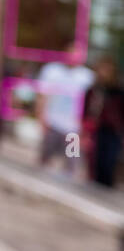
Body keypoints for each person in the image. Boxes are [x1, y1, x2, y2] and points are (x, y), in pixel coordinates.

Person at [37, 43, 96, 179]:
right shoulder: (52, 71)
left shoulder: (87, 77)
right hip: (52, 123)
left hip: (73, 128)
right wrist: (41, 117)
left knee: (71, 163)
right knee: (45, 158)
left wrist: (86, 131)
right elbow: (42, 96)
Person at [82, 54, 123, 188]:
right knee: (95, 162)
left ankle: (106, 187)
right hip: (96, 130)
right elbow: (86, 110)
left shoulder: (117, 92)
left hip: (113, 131)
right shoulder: (93, 90)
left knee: (109, 162)